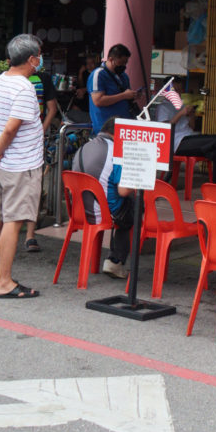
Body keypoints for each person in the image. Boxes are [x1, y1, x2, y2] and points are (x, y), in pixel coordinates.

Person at [0, 33, 45, 299]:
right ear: (31, 59)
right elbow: (11, 129)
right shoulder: (24, 88)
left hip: (1, 165)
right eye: (39, 55)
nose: (40, 60)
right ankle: (4, 281)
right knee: (13, 222)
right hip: (20, 165)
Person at [155, 81, 216, 184]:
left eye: (180, 90)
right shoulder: (163, 107)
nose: (179, 93)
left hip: (188, 138)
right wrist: (181, 114)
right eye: (175, 90)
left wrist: (192, 115)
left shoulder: (180, 105)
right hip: (177, 144)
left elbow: (191, 127)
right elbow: (165, 128)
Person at [72, 117, 134, 279]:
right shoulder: (116, 152)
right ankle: (115, 260)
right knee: (134, 205)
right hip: (103, 212)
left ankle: (107, 260)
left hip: (79, 212)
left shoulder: (84, 147)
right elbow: (124, 191)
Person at [24, 57, 60, 253]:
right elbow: (51, 109)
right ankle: (30, 236)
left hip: (19, 141)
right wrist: (41, 131)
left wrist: (40, 131)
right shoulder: (42, 78)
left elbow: (52, 108)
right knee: (33, 187)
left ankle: (27, 234)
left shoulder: (7, 78)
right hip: (32, 141)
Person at [88, 44, 145, 134]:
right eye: (121, 63)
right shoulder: (99, 75)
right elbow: (98, 100)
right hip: (105, 127)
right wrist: (123, 96)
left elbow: (126, 95)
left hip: (124, 125)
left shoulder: (124, 76)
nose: (123, 66)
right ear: (111, 59)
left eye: (125, 63)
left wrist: (133, 95)